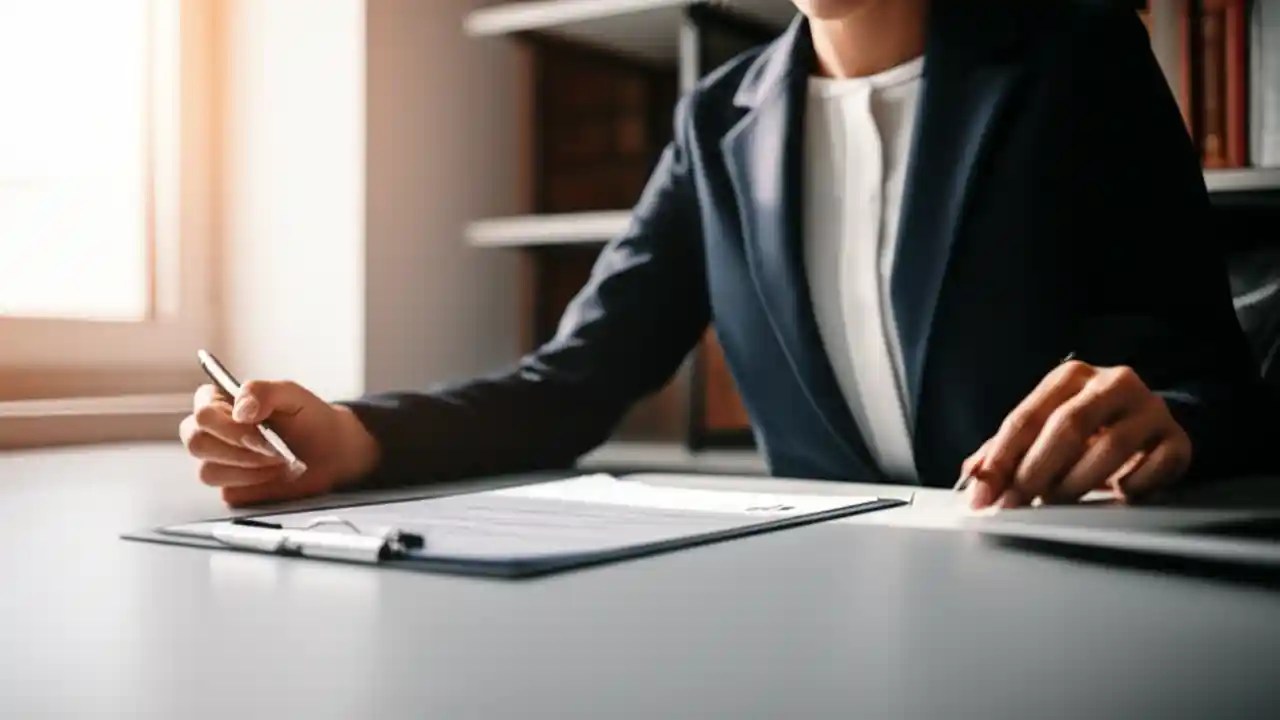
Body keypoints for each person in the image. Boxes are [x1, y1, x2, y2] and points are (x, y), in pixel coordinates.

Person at [180, 0, 1262, 511]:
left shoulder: (1077, 56)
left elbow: (1215, 380)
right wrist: (356, 439)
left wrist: (1171, 421)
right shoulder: (715, 121)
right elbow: (570, 385)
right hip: (838, 602)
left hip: (1074, 590)